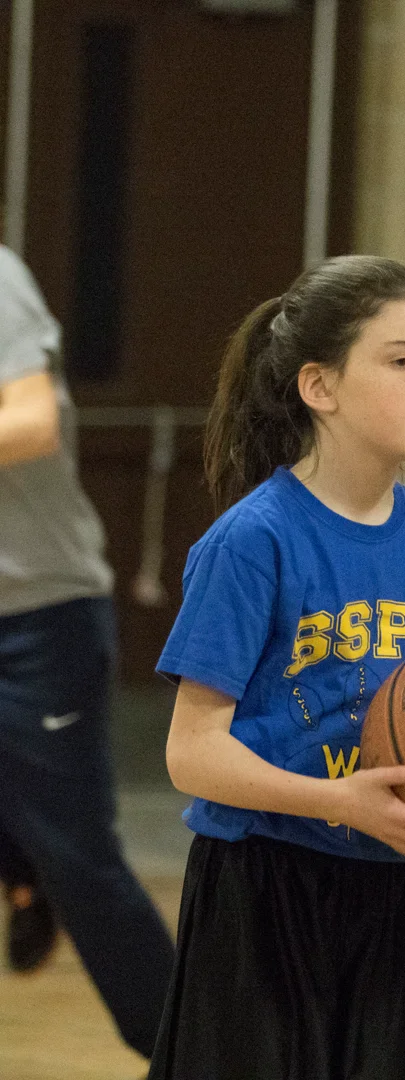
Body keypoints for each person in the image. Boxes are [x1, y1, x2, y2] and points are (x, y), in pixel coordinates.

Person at [147, 255, 405, 1080]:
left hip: (385, 891)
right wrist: (338, 800)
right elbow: (191, 753)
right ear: (319, 387)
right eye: (401, 361)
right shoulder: (253, 541)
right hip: (261, 888)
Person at [0, 243, 175, 1056]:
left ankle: (189, 1051)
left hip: (37, 614)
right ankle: (20, 862)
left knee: (81, 859)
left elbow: (32, 421)